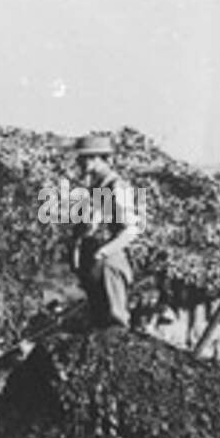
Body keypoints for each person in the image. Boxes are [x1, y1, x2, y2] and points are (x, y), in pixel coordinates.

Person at [71, 135, 141, 328]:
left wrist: (103, 252)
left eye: (83, 158)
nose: (79, 163)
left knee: (114, 322)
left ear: (97, 158)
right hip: (93, 262)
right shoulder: (95, 188)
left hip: (108, 263)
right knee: (98, 323)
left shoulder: (116, 186)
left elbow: (131, 229)